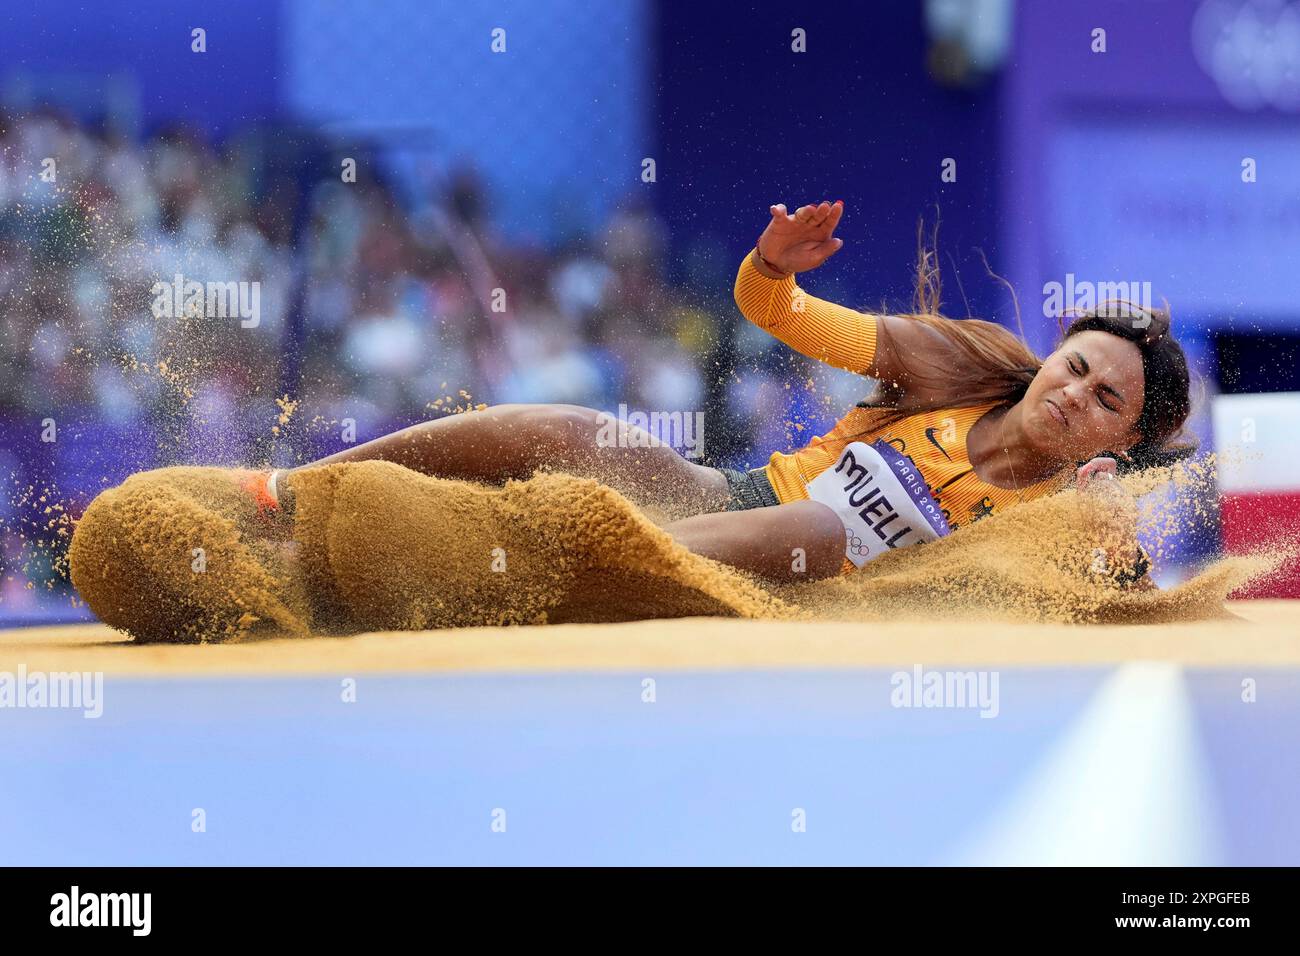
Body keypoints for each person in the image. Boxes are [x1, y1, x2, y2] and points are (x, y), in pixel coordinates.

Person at [250, 201, 1193, 588]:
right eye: (1077, 366)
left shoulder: (1074, 516)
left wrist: (1112, 546)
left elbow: (1128, 615)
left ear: (1122, 437)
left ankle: (502, 564)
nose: (1076, 394)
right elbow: (775, 310)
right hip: (724, 500)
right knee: (563, 427)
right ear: (1050, 357)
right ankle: (288, 491)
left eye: (1108, 401)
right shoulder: (961, 365)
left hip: (802, 596)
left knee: (821, 535)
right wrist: (771, 266)